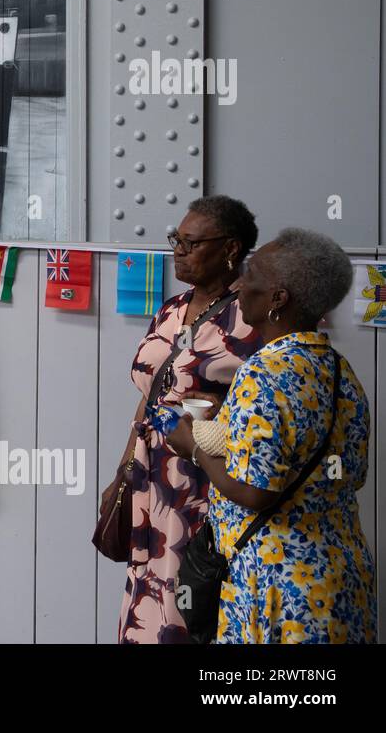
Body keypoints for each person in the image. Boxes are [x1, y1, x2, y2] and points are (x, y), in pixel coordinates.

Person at [168, 228, 377, 643]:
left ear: (278, 298)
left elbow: (255, 492)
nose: (239, 284)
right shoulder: (338, 370)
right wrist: (227, 424)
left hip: (277, 587)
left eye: (251, 274)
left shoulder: (264, 373)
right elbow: (341, 472)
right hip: (340, 580)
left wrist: (193, 448)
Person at [108, 195, 262, 643]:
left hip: (205, 479)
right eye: (177, 239)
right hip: (151, 475)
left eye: (191, 243)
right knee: (149, 586)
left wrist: (221, 409)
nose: (178, 251)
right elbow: (149, 397)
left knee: (192, 591)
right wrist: (124, 469)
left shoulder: (251, 318)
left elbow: (267, 406)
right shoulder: (171, 309)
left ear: (230, 248)